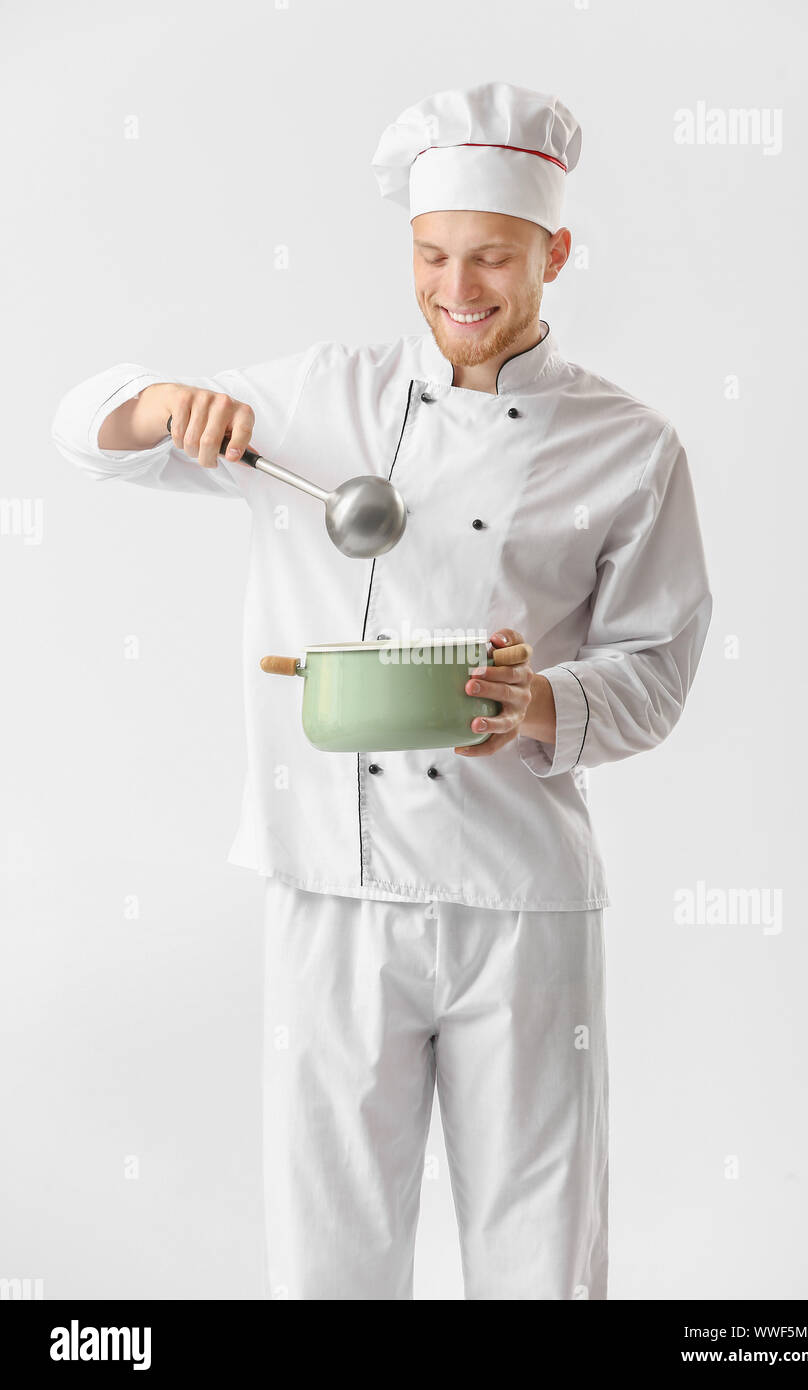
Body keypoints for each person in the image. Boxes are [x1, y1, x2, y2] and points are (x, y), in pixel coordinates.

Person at [51, 81, 713, 1301]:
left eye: (493, 257)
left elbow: (656, 668)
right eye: (431, 255)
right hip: (331, 889)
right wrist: (160, 403)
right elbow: (85, 429)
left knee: (540, 1240)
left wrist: (542, 704)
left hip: (519, 893)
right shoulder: (318, 399)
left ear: (554, 252)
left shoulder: (630, 445)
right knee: (330, 1252)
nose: (458, 287)